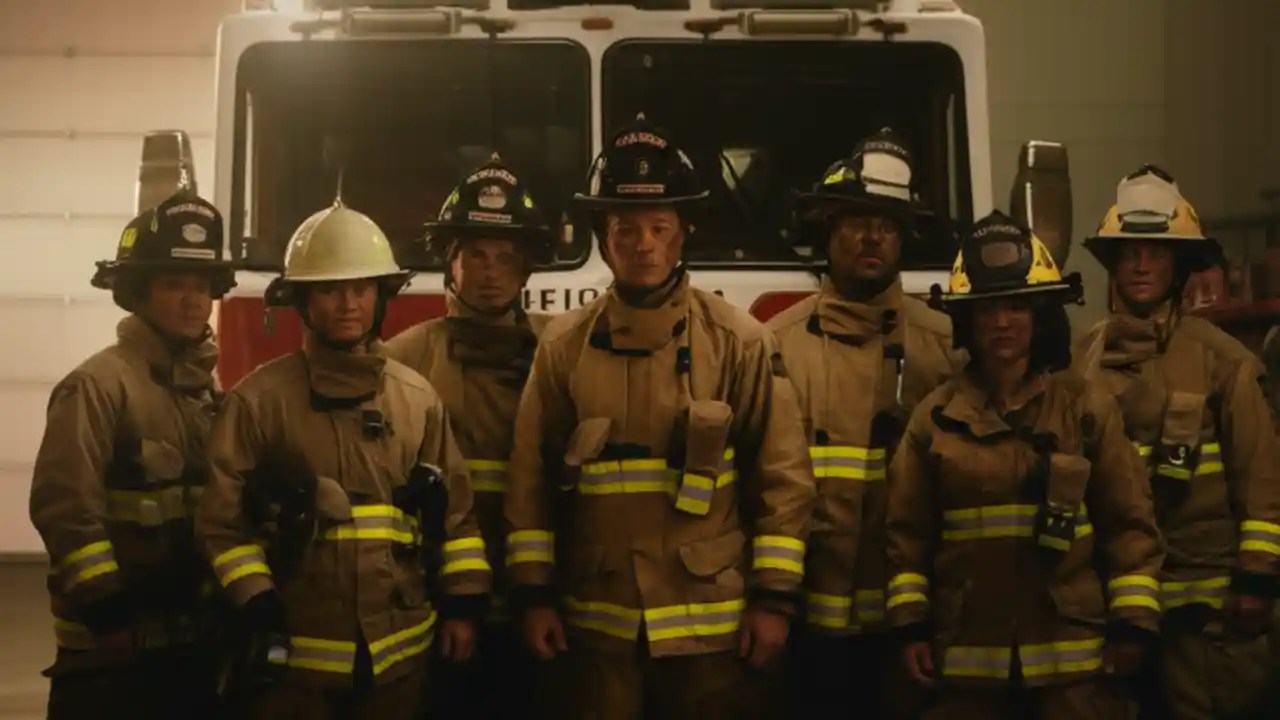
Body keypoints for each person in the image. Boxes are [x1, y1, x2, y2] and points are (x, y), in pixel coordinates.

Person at [502, 114, 816, 720]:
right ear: (602, 236)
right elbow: (530, 480)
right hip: (597, 623)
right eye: (624, 229)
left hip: (712, 629)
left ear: (682, 233)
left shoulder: (737, 341)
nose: (642, 244)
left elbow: (782, 479)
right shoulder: (565, 345)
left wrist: (774, 602)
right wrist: (534, 594)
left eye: (658, 227)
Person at [194, 200, 489, 719]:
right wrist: (256, 598)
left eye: (361, 289)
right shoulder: (258, 402)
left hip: (398, 658)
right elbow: (221, 523)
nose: (348, 304)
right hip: (296, 665)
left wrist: (463, 603)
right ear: (303, 302)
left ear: (380, 298)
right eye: (330, 289)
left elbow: (458, 516)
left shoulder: (417, 399)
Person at [887, 211, 1163, 719]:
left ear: (1041, 315)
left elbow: (1129, 527)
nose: (1002, 321)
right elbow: (907, 539)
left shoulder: (1086, 410)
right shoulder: (935, 420)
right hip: (968, 670)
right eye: (988, 307)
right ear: (967, 318)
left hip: (1075, 670)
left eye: (1017, 305)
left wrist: (1133, 624)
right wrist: (910, 627)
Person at [768, 127, 962, 717]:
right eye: (856, 220)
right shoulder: (776, 346)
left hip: (910, 621)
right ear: (827, 231)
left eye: (889, 224)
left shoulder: (948, 346)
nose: (873, 236)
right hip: (802, 618)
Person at [1076, 165, 1280, 719]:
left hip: (1204, 609)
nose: (1141, 264)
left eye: (1157, 252)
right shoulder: (1081, 362)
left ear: (1180, 267)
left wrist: (1256, 580)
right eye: (1129, 251)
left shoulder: (1224, 362)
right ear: (1112, 263)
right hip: (1112, 609)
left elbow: (1262, 482)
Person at [29, 190, 236, 719]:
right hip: (110, 661)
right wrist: (107, 613)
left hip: (189, 646)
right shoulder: (98, 385)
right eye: (174, 284)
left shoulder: (207, 392)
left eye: (202, 286)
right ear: (139, 292)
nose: (193, 300)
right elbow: (66, 509)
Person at [384, 155, 554, 718]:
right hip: (438, 598)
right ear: (449, 264)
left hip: (536, 593)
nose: (490, 272)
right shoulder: (404, 359)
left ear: (527, 271)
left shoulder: (558, 354)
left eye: (507, 258)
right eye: (475, 255)